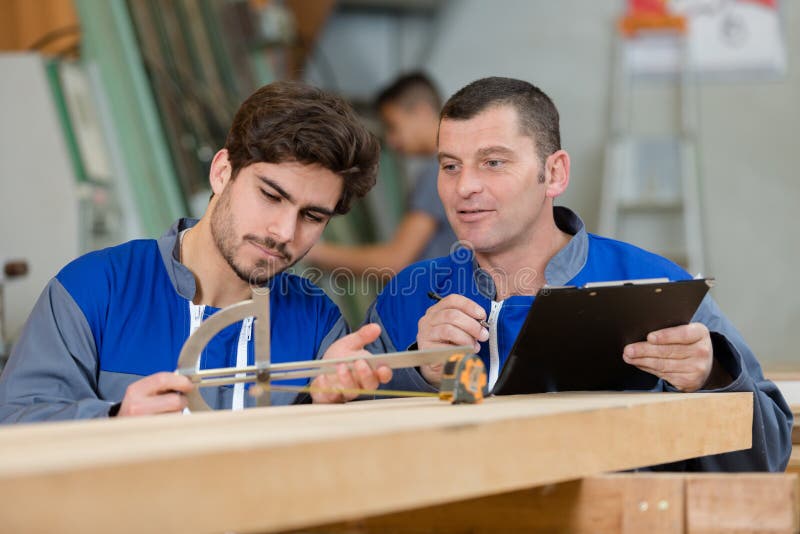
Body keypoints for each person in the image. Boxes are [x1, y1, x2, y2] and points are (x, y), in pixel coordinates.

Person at [364, 76, 792, 471]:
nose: (464, 188)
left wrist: (712, 378)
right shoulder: (407, 296)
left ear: (554, 173)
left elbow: (769, 454)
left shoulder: (655, 287)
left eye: (493, 162)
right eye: (450, 166)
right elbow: (352, 444)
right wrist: (420, 373)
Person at [0, 81, 392, 422]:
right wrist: (113, 418)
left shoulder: (318, 323)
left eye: (311, 216)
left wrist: (330, 406)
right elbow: (17, 421)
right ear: (222, 172)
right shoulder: (94, 290)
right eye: (271, 195)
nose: (284, 232)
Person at [306, 72, 457, 276]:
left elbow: (394, 262)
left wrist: (309, 251)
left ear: (422, 111)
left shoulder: (437, 172)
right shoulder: (460, 167)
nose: (392, 141)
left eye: (393, 126)